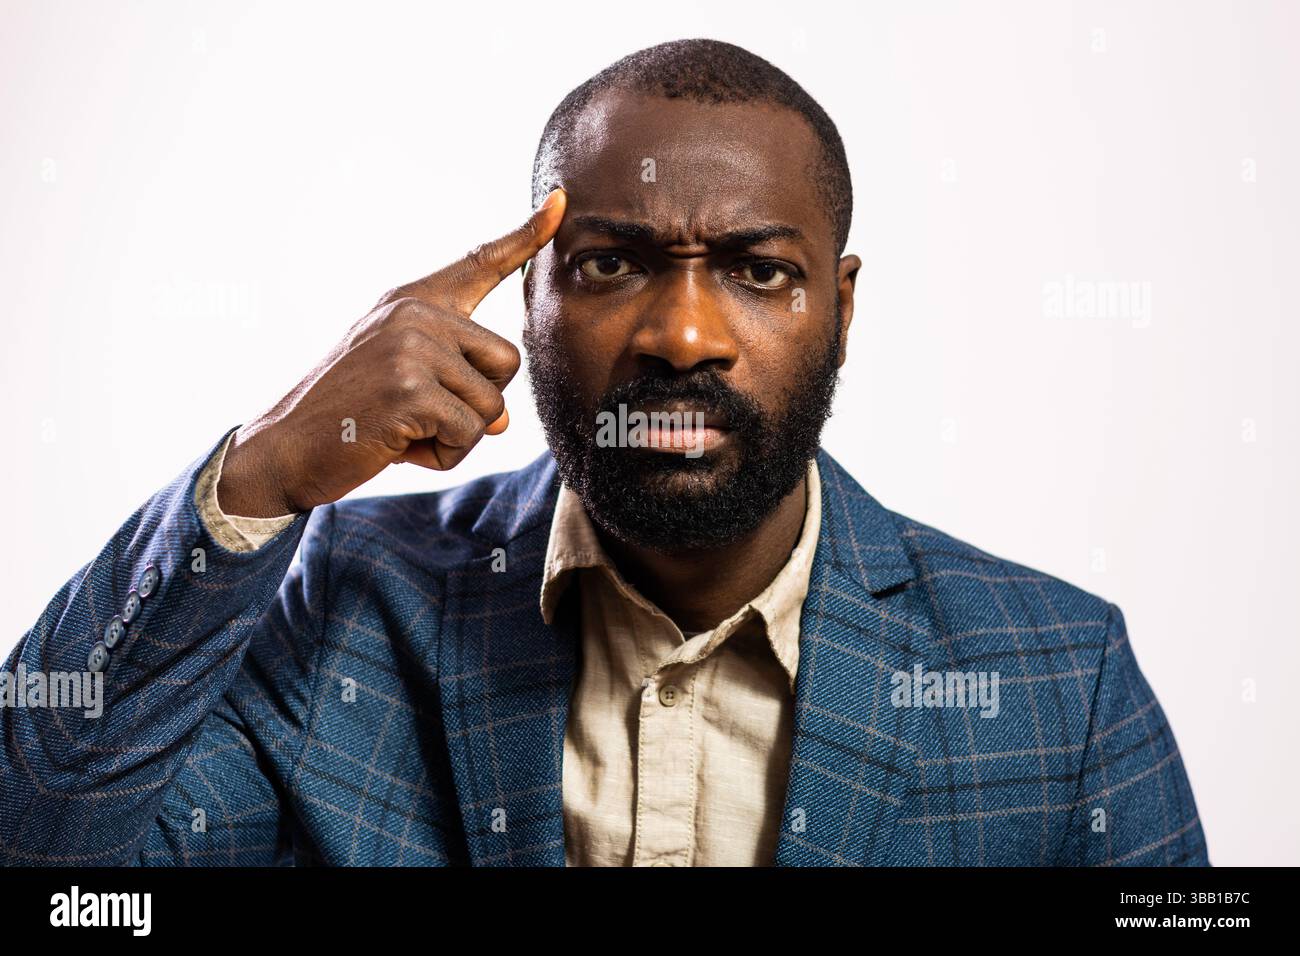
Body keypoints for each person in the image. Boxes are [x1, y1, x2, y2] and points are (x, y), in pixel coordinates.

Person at [1, 38, 1207, 867]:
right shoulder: (344, 610)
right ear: (525, 301)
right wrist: (257, 477)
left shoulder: (1057, 676)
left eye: (758, 270)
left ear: (841, 307)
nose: (683, 335)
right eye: (611, 264)